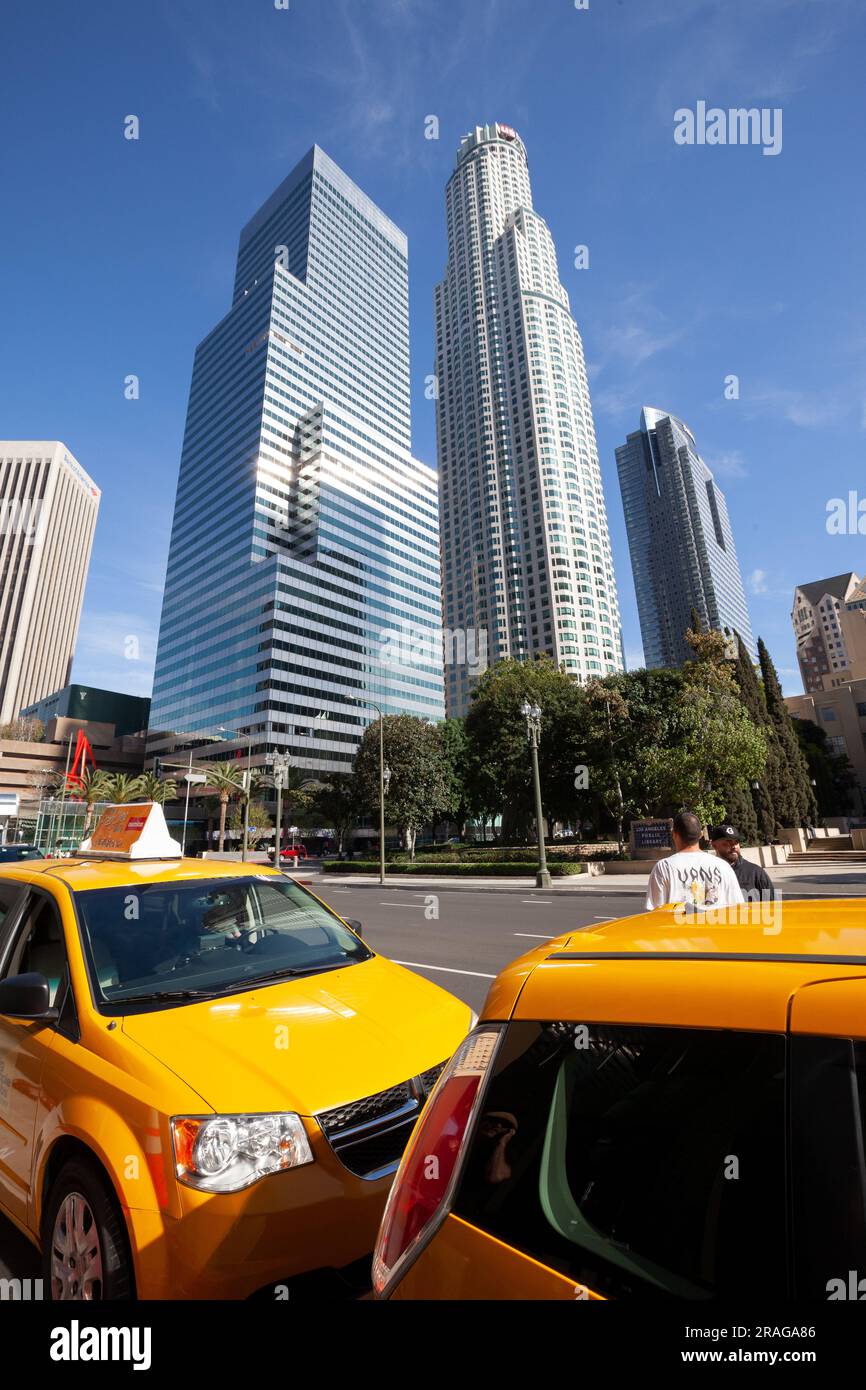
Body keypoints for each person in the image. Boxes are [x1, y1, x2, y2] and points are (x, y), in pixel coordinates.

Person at [645, 810, 744, 912]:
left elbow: (656, 913)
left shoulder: (664, 867)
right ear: (701, 834)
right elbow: (737, 908)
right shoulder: (723, 866)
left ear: (674, 834)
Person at [709, 823, 775, 900]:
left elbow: (772, 905)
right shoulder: (708, 872)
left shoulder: (756, 872)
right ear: (714, 846)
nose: (733, 847)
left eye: (736, 842)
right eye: (727, 843)